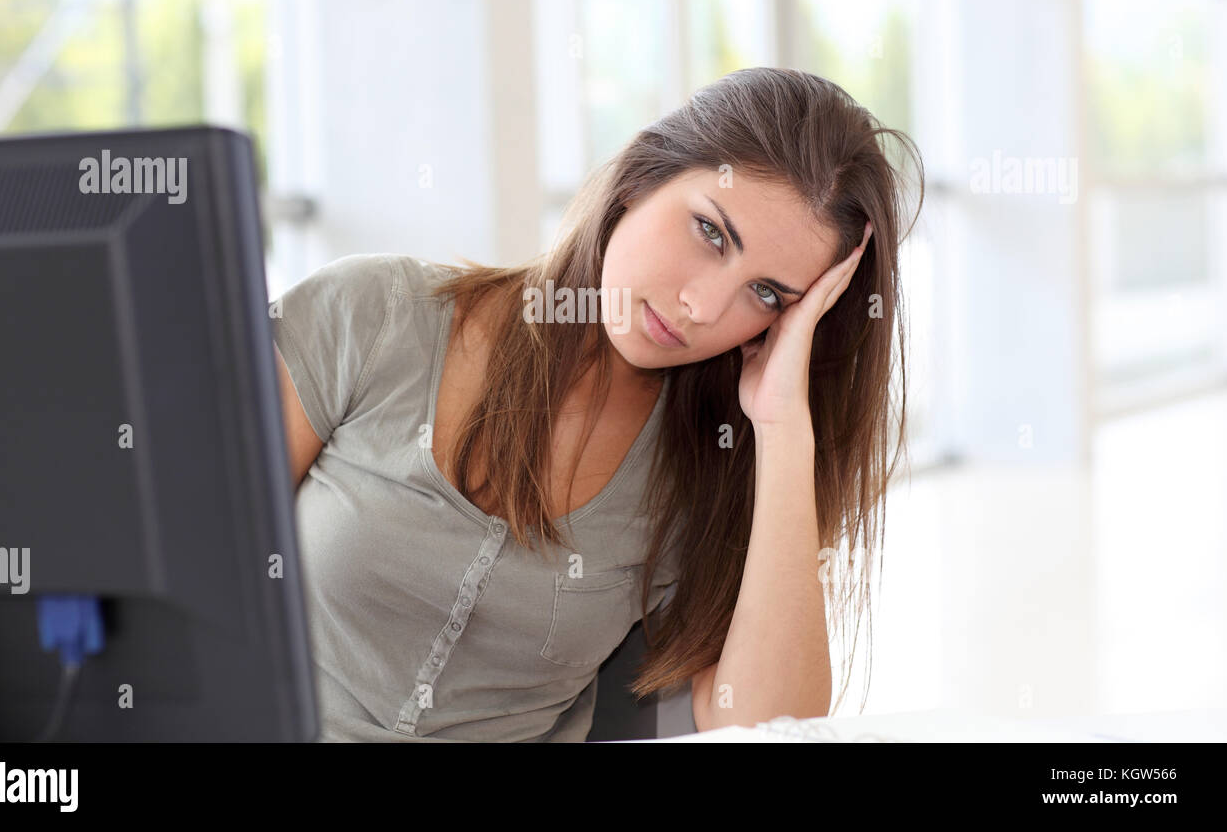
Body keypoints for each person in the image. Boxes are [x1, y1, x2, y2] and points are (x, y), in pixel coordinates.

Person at [271, 67, 922, 742]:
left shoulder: (707, 472)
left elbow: (766, 726)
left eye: (766, 295)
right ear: (644, 176)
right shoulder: (368, 318)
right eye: (710, 232)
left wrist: (784, 429)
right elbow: (198, 573)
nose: (702, 307)